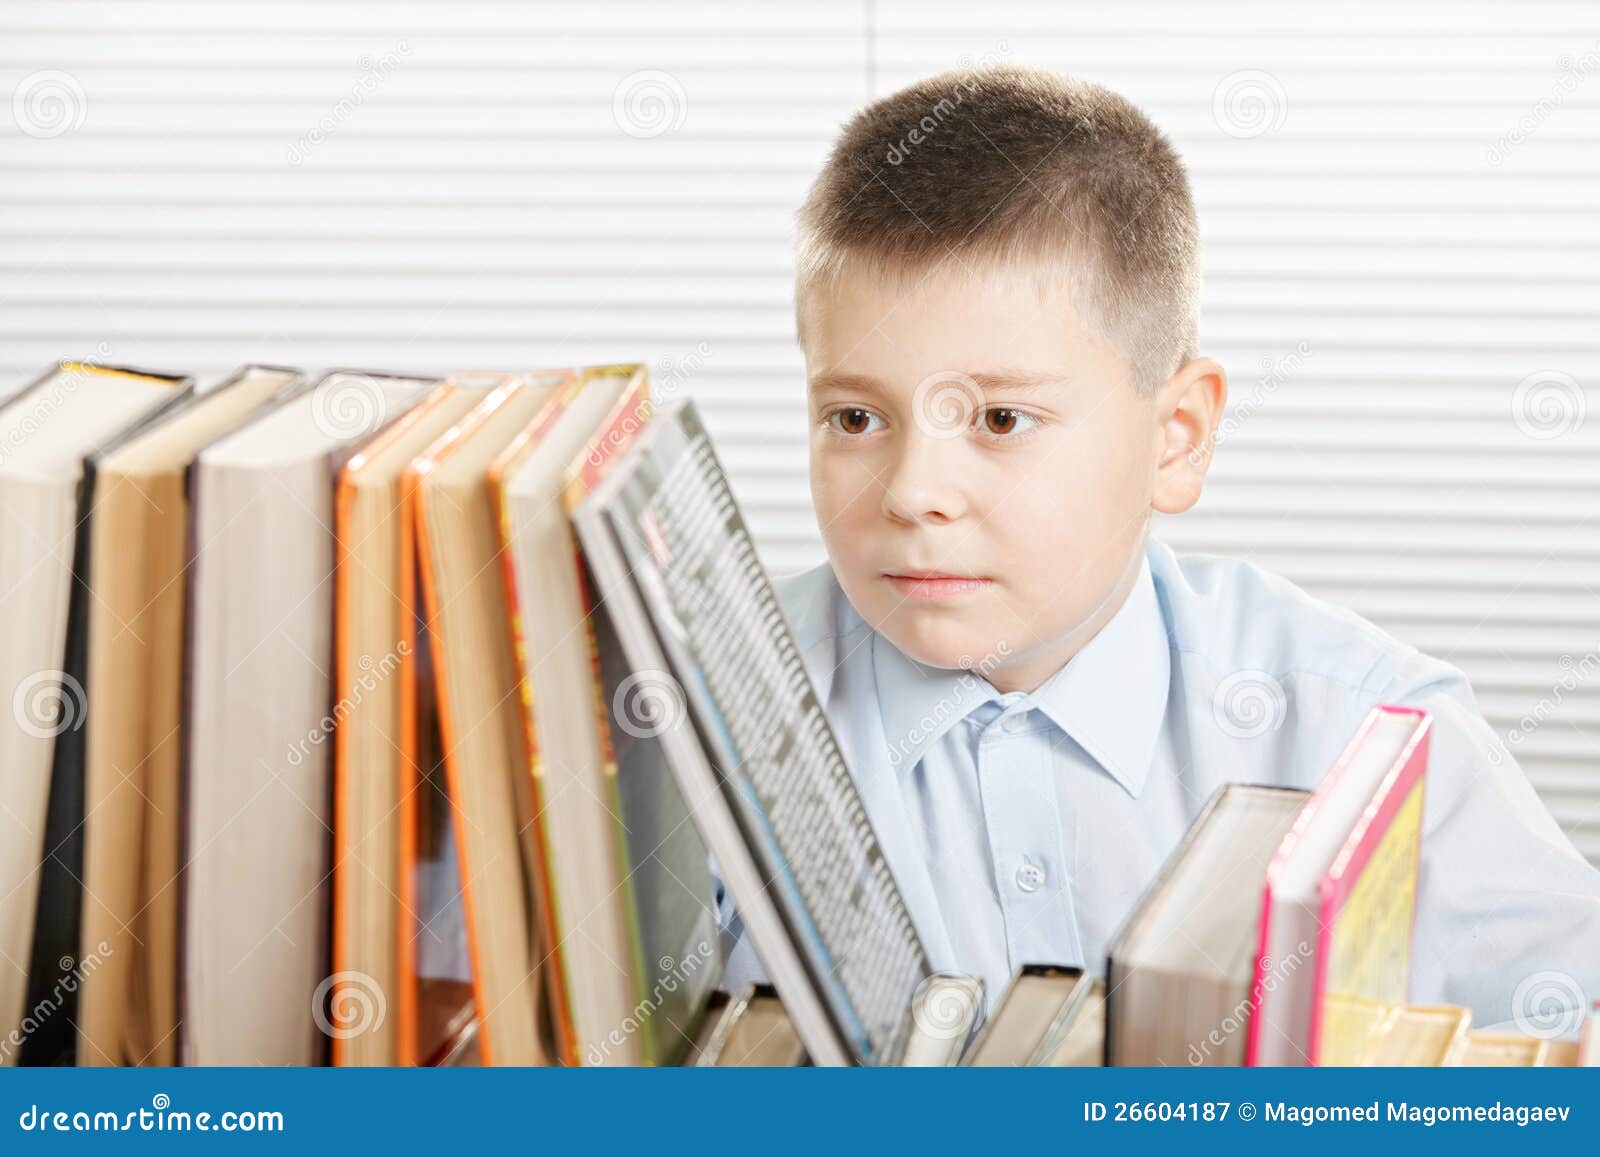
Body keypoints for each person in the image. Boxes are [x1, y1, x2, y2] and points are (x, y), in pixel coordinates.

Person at [716, 65, 1600, 1045]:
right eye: (854, 416)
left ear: (1173, 435)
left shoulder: (1361, 730)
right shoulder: (703, 722)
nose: (912, 490)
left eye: (1002, 417)